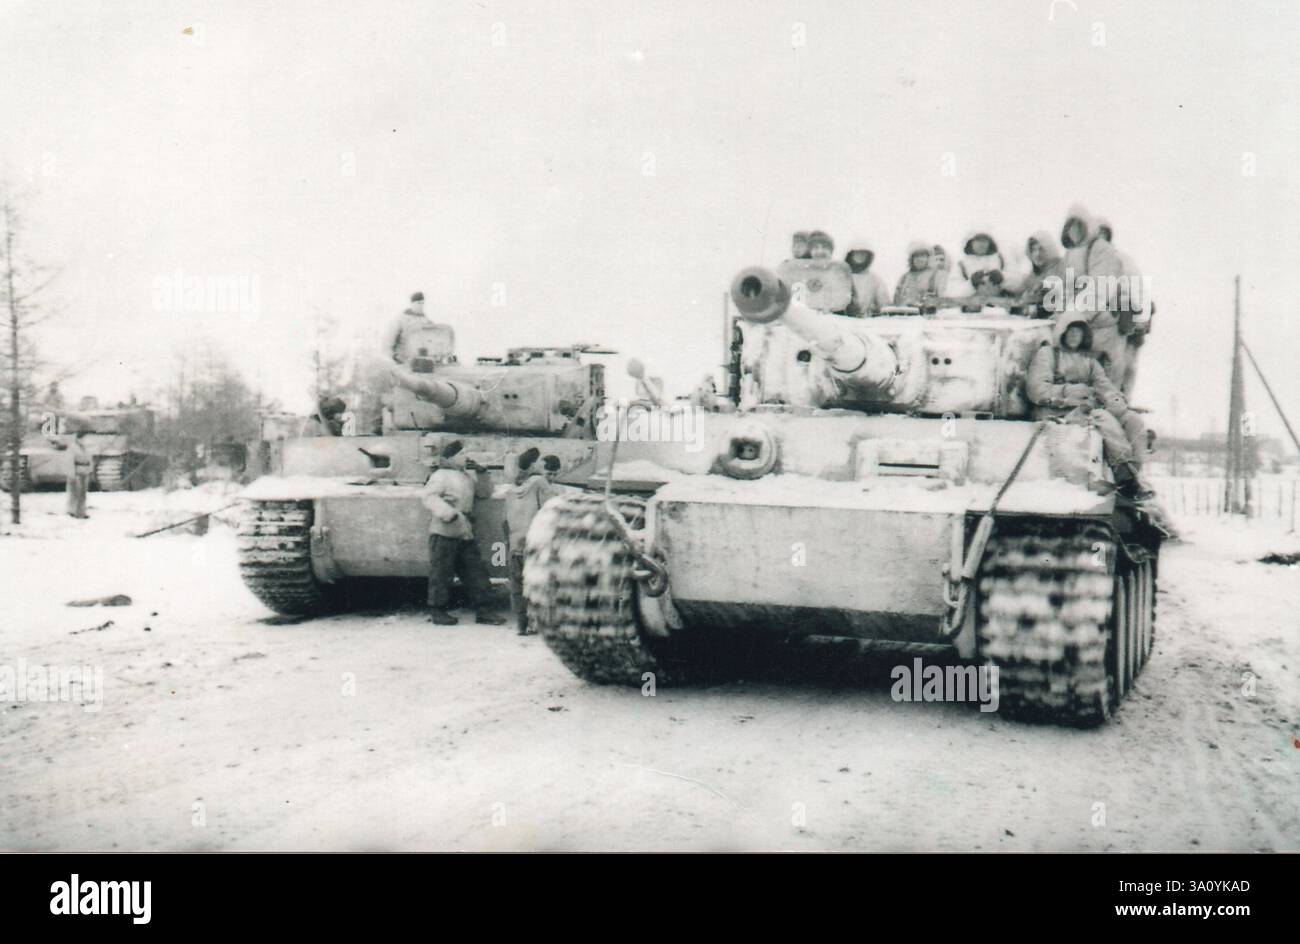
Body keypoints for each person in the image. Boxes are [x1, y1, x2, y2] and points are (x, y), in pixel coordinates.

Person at [1025, 318, 1152, 499]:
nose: (1074, 336)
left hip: (1085, 410)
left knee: (1133, 421)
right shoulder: (1048, 355)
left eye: (1079, 332)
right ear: (1062, 333)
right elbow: (1036, 390)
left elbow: (1104, 385)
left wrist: (1116, 401)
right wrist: (1072, 392)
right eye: (1071, 331)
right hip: (1056, 412)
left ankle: (1138, 476)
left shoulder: (1089, 361)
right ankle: (1125, 476)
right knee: (1103, 418)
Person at [421, 440, 507, 626]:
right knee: (441, 573)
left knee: (476, 572)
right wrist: (447, 513)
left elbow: (484, 493)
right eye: (462, 454)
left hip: (464, 530)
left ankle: (484, 611)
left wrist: (482, 473)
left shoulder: (466, 476)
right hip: (444, 529)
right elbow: (429, 496)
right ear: (451, 458)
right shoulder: (441, 475)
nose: (466, 457)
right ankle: (438, 611)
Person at [1056, 205, 1130, 387]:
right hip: (1079, 325)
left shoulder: (1101, 249)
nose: (1074, 231)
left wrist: (1075, 316)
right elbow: (1063, 287)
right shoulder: (1070, 254)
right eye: (1070, 226)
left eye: (1078, 225)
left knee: (1105, 376)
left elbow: (1100, 288)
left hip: (1101, 324)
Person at [503, 447, 547, 634]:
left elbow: (504, 520)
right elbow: (549, 509)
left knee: (517, 585)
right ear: (534, 465)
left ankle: (521, 624)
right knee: (537, 583)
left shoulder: (510, 490)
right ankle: (537, 622)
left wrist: (509, 541)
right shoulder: (540, 483)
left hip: (515, 544)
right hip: (535, 543)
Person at [382, 291, 456, 365]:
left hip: (419, 362)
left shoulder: (426, 321)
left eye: (422, 303)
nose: (421, 305)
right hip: (403, 361)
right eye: (418, 303)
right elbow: (389, 341)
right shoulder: (401, 320)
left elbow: (432, 339)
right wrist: (392, 359)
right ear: (412, 304)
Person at [954, 231, 1019, 299]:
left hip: (1001, 305)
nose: (981, 244)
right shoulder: (962, 264)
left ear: (990, 242)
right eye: (977, 240)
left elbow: (1020, 285)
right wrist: (971, 284)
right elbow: (953, 292)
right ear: (970, 242)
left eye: (984, 240)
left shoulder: (1002, 259)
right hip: (974, 307)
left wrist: (1003, 278)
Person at [1018, 231, 1064, 315]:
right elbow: (1024, 297)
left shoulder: (1061, 267)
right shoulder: (1033, 274)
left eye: (1041, 249)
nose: (1037, 254)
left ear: (1049, 249)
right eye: (1033, 250)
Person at [844, 243, 891, 317]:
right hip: (844, 320)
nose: (860, 256)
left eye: (863, 254)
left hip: (868, 321)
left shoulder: (875, 279)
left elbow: (884, 304)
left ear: (868, 257)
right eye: (857, 253)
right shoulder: (842, 276)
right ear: (851, 255)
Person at [893, 241, 942, 307]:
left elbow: (943, 300)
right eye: (916, 256)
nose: (919, 259)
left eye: (922, 256)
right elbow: (896, 301)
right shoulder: (904, 278)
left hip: (927, 315)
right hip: (904, 314)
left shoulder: (938, 276)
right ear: (911, 259)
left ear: (928, 258)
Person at [66, 431, 91, 518]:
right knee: (76, 493)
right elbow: (69, 461)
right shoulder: (73, 448)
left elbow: (89, 460)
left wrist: (89, 470)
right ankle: (73, 511)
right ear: (78, 439)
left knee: (83, 494)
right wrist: (72, 474)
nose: (85, 440)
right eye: (83, 438)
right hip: (77, 472)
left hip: (85, 472)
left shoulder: (85, 448)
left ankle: (81, 512)